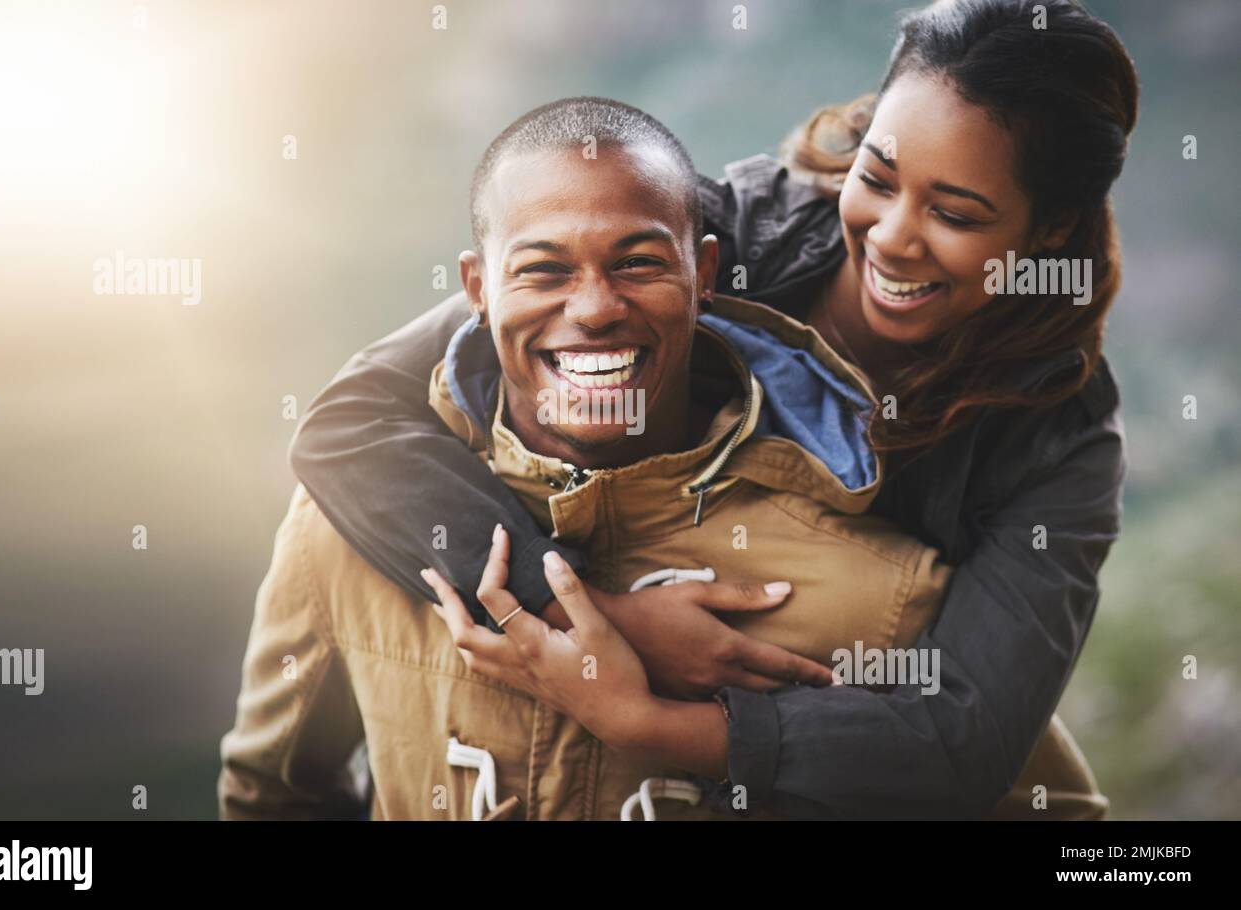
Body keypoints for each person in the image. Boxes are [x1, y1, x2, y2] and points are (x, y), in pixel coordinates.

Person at [284, 0, 1137, 818]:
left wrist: (645, 720)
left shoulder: (1060, 431)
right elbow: (349, 422)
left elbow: (961, 744)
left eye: (954, 214)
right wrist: (601, 618)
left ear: (1051, 232)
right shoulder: (715, 231)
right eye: (877, 176)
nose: (891, 236)